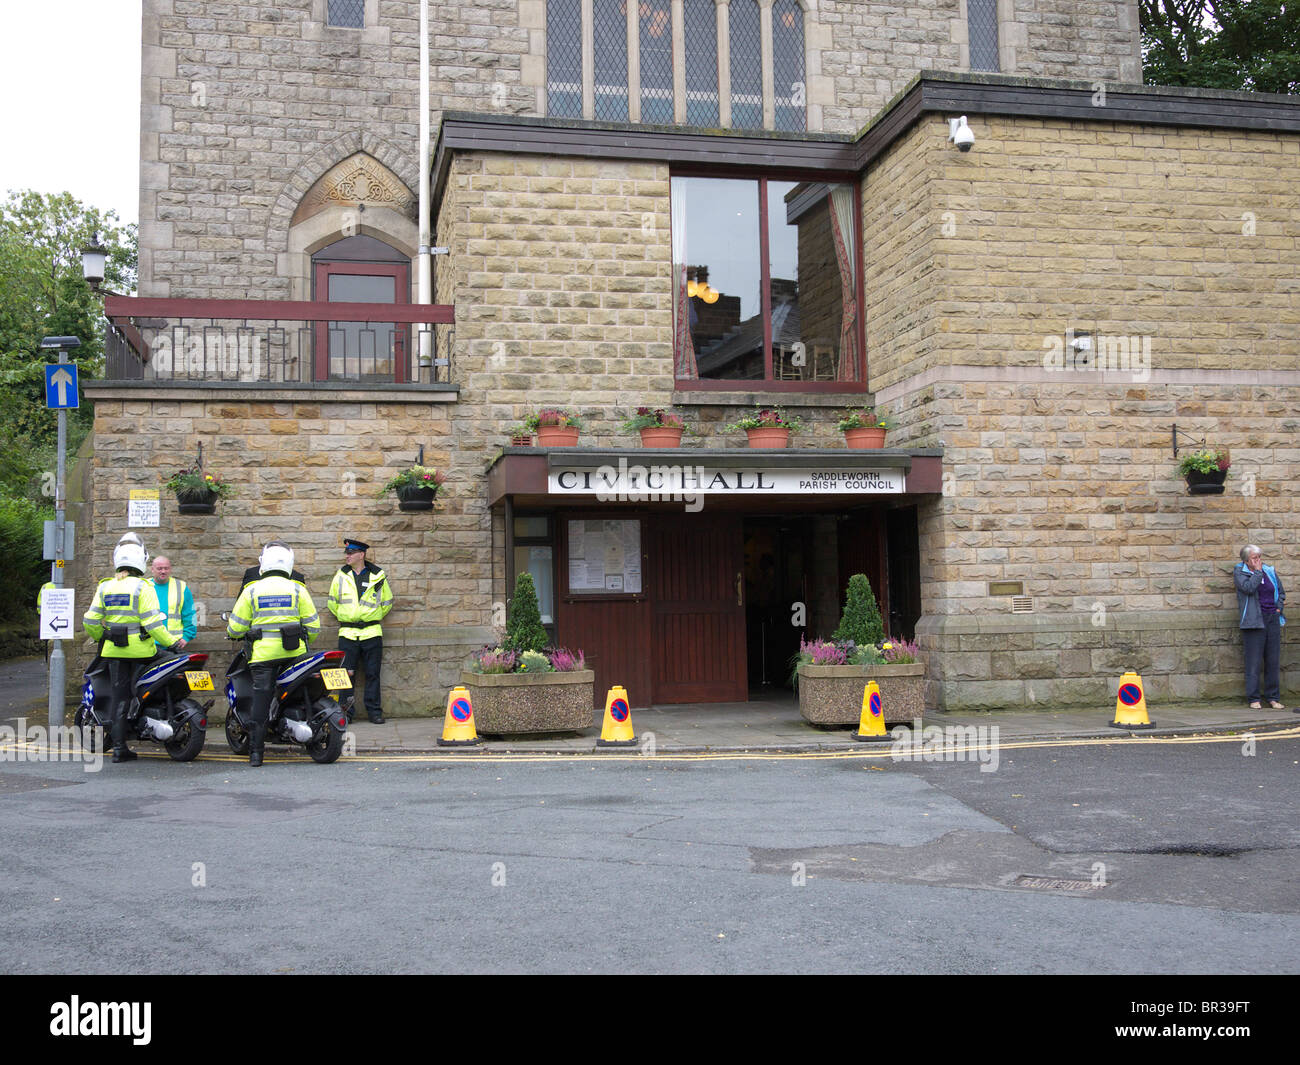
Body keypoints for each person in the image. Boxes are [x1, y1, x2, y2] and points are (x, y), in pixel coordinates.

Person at [83, 538, 178, 762]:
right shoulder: (142, 587)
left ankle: (118, 748)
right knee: (161, 673)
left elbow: (90, 620)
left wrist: (103, 636)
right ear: (142, 561)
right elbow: (153, 623)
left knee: (120, 698)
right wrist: (172, 643)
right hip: (141, 652)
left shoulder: (105, 585)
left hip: (113, 652)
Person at [226, 542, 321, 766]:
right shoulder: (298, 589)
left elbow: (236, 627)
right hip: (294, 654)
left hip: (263, 657)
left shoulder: (252, 590)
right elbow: (313, 626)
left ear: (263, 563)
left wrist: (236, 632)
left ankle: (257, 753)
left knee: (261, 700)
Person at [327, 537, 393, 724]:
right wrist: (347, 616)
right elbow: (332, 603)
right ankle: (345, 713)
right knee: (345, 675)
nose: (347, 556)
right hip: (347, 633)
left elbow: (387, 602)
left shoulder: (378, 576)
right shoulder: (340, 576)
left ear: (361, 554)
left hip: (371, 632)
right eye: (346, 553)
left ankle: (374, 712)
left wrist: (372, 615)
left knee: (373, 674)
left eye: (351, 553)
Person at [1234, 544, 1287, 711]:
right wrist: (1257, 572)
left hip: (1272, 618)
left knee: (1272, 660)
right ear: (1246, 561)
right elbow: (1249, 588)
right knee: (1254, 662)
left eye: (1259, 557)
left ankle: (1272, 698)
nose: (1259, 561)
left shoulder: (1269, 570)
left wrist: (1278, 609)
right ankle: (1254, 698)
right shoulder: (1240, 572)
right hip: (1253, 621)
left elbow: (1280, 591)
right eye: (1254, 558)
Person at [151, 555, 197, 650]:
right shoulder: (144, 587)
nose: (163, 571)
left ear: (170, 569)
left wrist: (186, 637)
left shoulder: (181, 587)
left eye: (166, 568)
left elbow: (190, 614)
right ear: (152, 569)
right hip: (148, 643)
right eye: (159, 568)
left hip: (174, 644)